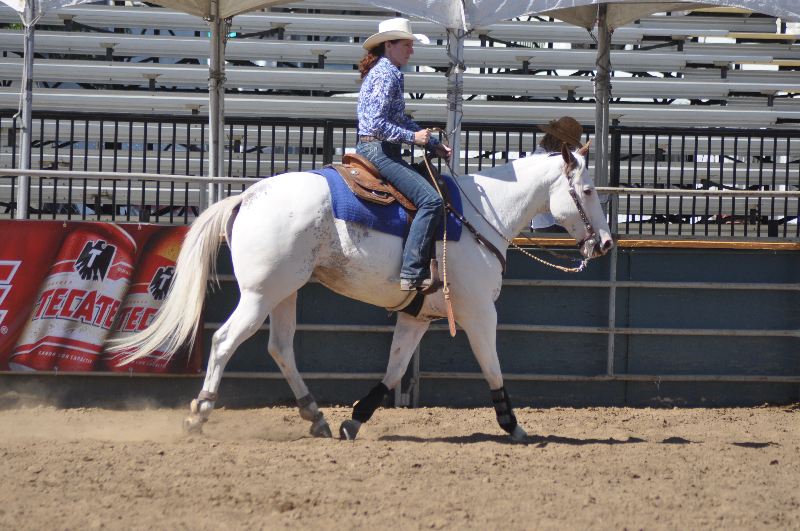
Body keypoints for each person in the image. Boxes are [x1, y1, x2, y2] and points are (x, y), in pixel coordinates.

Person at [356, 18, 452, 292]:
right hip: (379, 150)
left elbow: (397, 120)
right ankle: (411, 272)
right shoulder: (386, 74)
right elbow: (377, 124)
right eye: (406, 45)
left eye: (411, 45)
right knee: (432, 201)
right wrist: (414, 138)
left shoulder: (387, 71)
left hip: (375, 147)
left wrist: (431, 143)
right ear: (389, 45)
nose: (411, 50)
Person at [530, 116, 584, 232]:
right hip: (546, 221)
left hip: (565, 219)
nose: (570, 149)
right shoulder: (540, 155)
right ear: (558, 140)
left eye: (572, 146)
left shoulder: (563, 156)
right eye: (569, 145)